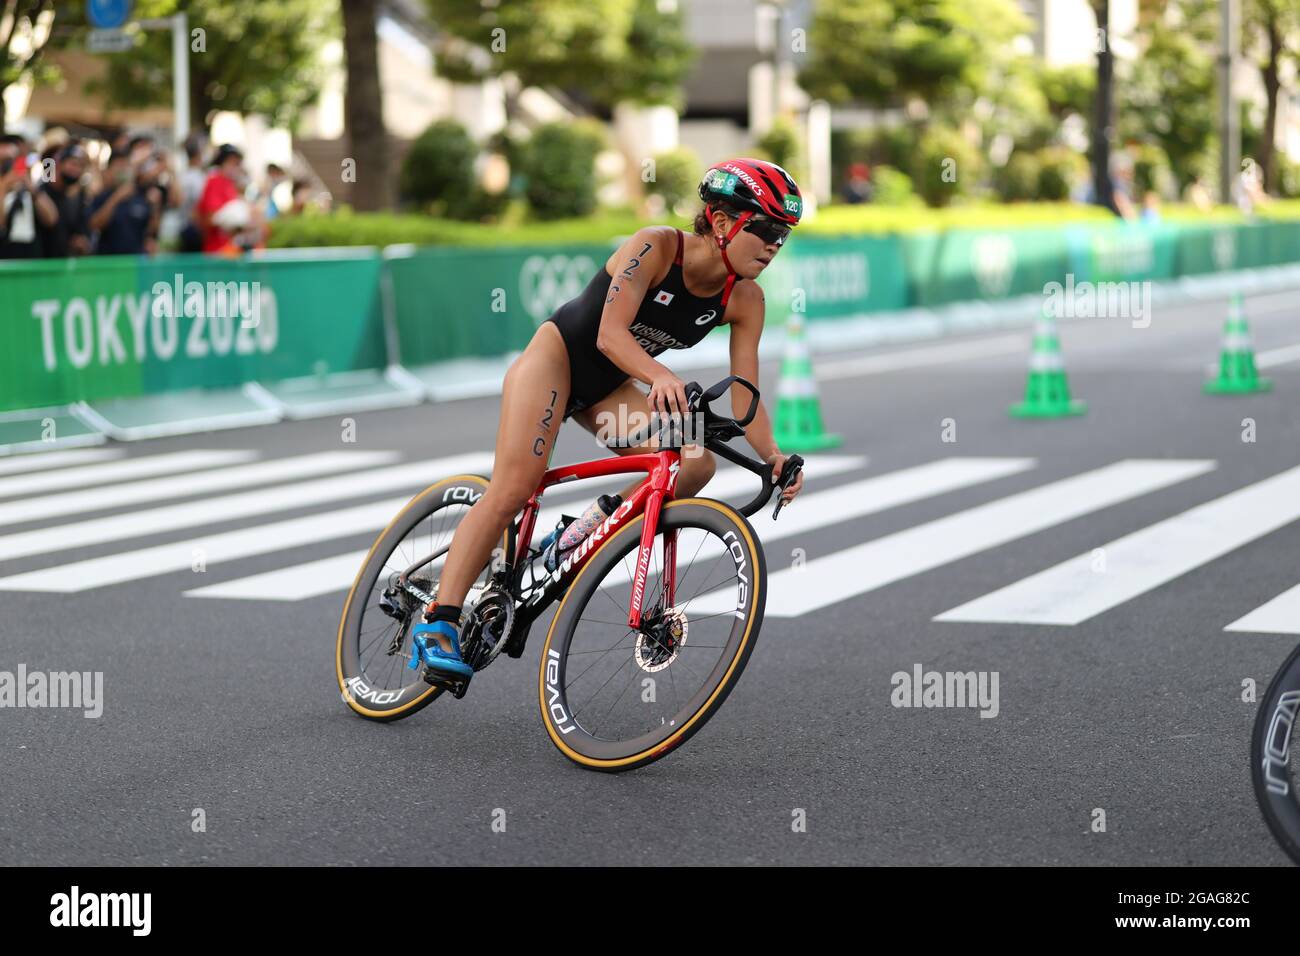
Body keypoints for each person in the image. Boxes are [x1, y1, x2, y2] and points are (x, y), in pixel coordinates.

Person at [407, 158, 807, 680]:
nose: (776, 244)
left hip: (606, 393)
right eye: (767, 228)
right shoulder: (657, 246)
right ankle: (439, 620)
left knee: (693, 465)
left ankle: (582, 532)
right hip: (557, 363)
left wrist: (772, 457)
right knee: (514, 486)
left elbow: (744, 397)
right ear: (723, 220)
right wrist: (659, 375)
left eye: (785, 235)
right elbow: (609, 335)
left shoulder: (746, 299)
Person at [88, 149, 162, 255]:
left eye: (125, 166)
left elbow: (151, 230)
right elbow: (95, 225)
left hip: (135, 262)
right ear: (109, 170)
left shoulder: (142, 196)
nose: (122, 170)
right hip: (107, 260)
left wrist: (155, 206)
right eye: (118, 166)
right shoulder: (102, 196)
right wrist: (116, 198)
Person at [195, 143, 261, 254]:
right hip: (218, 250)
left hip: (232, 250)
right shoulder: (215, 181)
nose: (236, 167)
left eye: (237, 163)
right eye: (232, 162)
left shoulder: (231, 185)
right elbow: (209, 218)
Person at [41, 143, 92, 257]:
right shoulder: (42, 191)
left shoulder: (78, 197)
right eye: (73, 164)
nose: (76, 170)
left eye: (80, 166)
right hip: (41, 261)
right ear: (59, 164)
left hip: (64, 263)